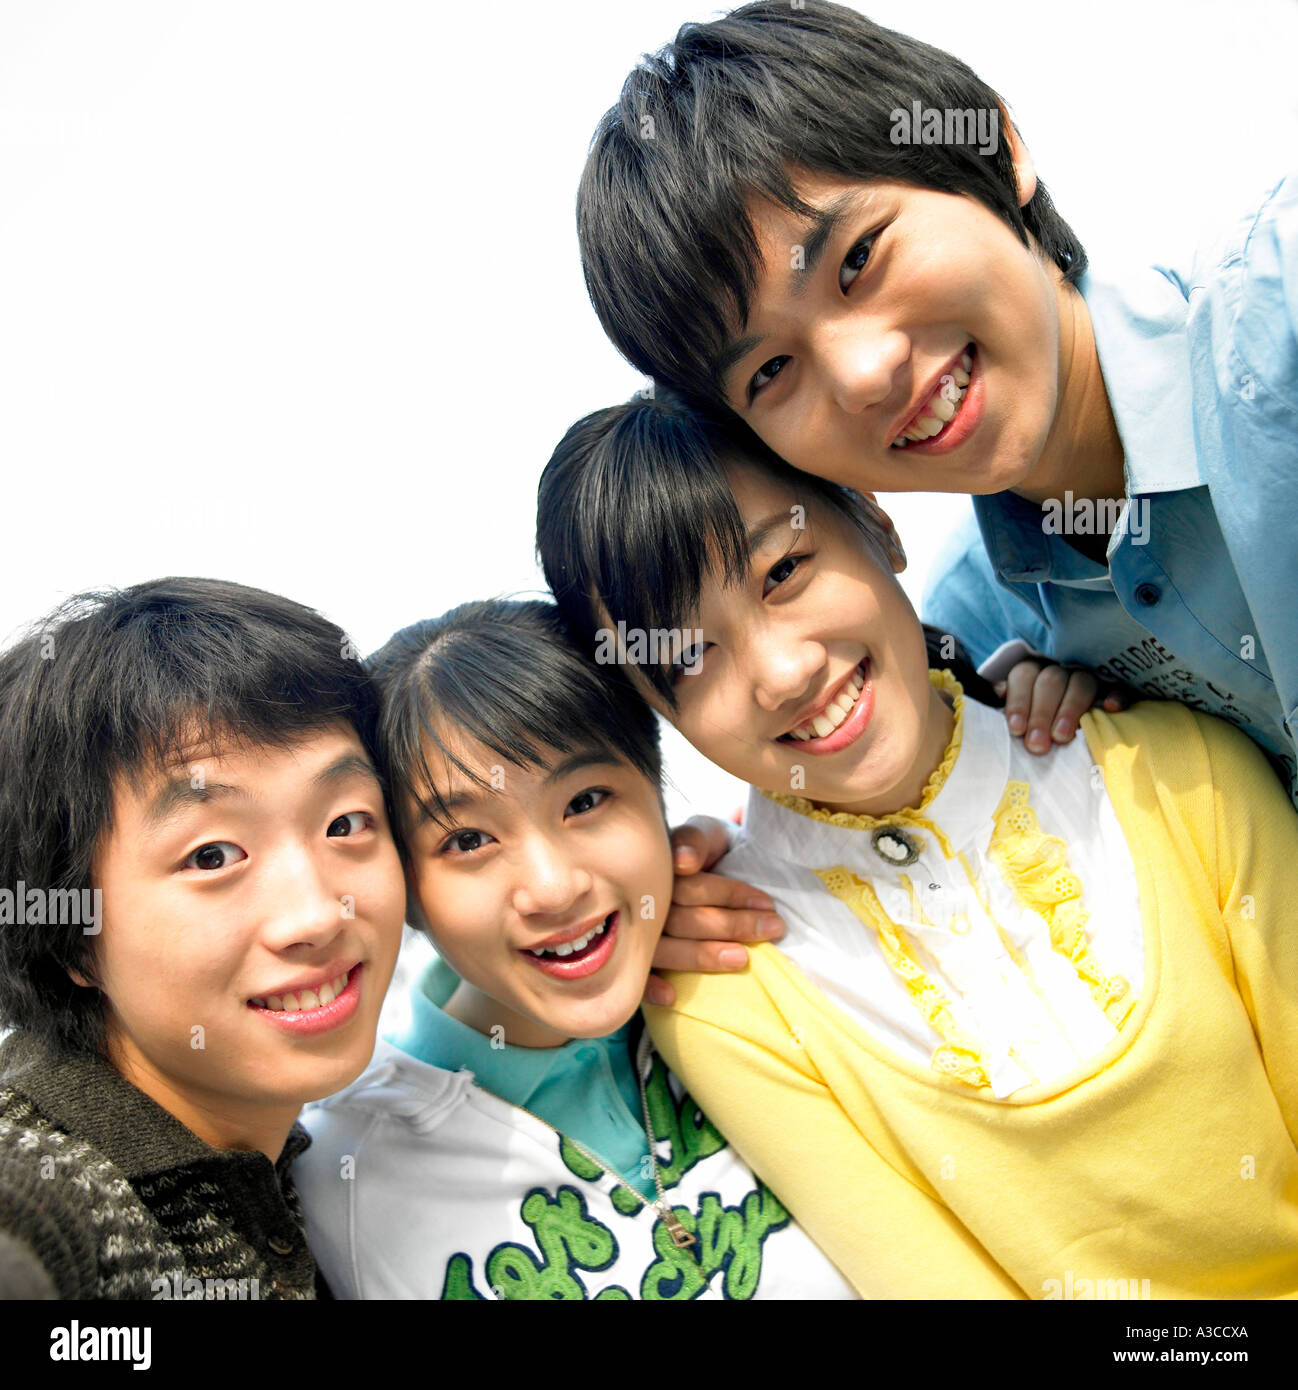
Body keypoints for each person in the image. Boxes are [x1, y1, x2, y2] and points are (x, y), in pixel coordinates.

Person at [535, 390, 1298, 1298]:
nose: (782, 673)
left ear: (875, 520)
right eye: (690, 658)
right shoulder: (724, 1000)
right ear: (657, 716)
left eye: (783, 573)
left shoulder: (1183, 771)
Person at [574, 0, 1298, 796]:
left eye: (857, 261)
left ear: (996, 145)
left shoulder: (1281, 307)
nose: (859, 374)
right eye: (771, 373)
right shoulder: (975, 627)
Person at [293, 599, 858, 1299]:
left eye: (586, 802)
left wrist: (1018, 681)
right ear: (403, 886)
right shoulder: (340, 1179)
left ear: (655, 789)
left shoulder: (773, 959)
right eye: (468, 841)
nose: (553, 888)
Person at [0, 577, 408, 1299]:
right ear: (69, 937)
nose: (317, 915)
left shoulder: (297, 1165)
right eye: (212, 856)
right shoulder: (55, 1181)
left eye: (343, 823)